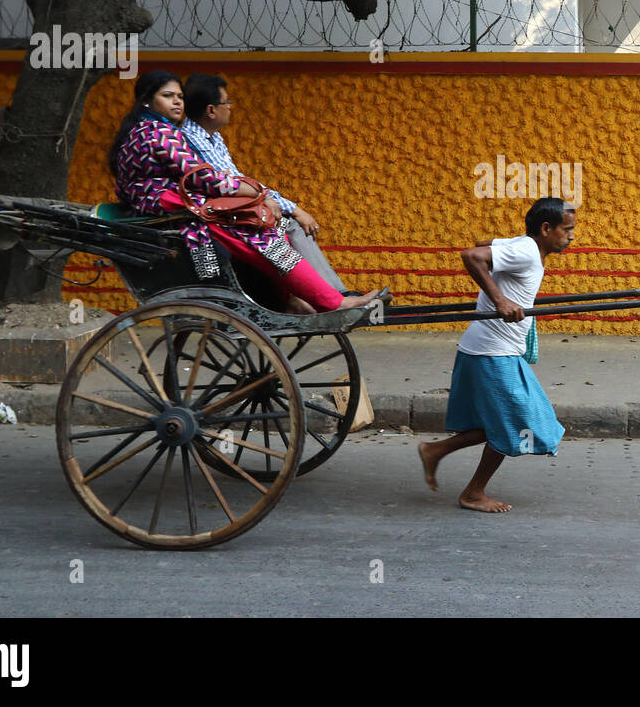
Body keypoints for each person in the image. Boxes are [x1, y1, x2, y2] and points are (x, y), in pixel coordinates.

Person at [107, 70, 379, 313]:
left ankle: (297, 299)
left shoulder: (142, 130)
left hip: (169, 207)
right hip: (173, 209)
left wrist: (249, 191)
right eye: (168, 96)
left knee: (269, 230)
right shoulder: (159, 133)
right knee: (264, 238)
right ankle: (331, 301)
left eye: (179, 96)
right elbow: (203, 178)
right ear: (146, 100)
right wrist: (254, 191)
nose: (178, 102)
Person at [416, 197, 575, 513]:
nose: (571, 236)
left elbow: (482, 244)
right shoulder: (527, 251)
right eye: (567, 230)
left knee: (501, 422)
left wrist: (502, 250)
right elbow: (472, 255)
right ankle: (472, 493)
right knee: (517, 422)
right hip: (493, 353)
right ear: (546, 229)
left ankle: (435, 451)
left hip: (489, 350)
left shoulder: (525, 245)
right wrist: (500, 300)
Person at [180, 74, 348, 294]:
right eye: (226, 102)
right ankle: (330, 296)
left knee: (287, 224)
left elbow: (238, 180)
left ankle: (318, 295)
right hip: (216, 217)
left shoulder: (212, 137)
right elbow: (227, 184)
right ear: (210, 110)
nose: (230, 107)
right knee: (287, 227)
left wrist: (283, 204)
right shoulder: (190, 139)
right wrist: (282, 204)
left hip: (227, 212)